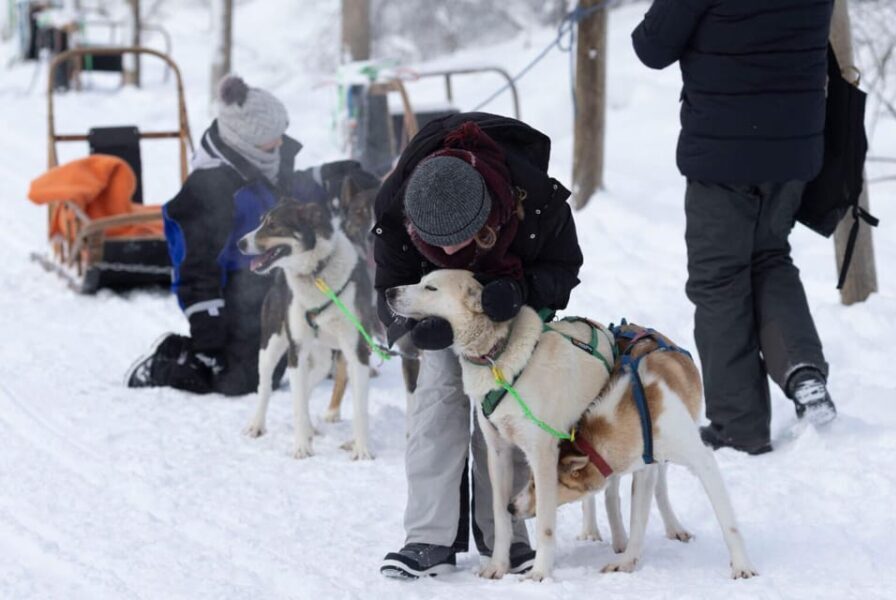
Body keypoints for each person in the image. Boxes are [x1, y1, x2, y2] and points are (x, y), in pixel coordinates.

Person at [373, 113, 583, 579]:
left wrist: (522, 291)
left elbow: (565, 268)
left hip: (516, 310)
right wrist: (410, 329)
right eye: (434, 244)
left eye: (457, 242)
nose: (446, 254)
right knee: (436, 402)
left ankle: (507, 532)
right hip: (442, 308)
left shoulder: (538, 203)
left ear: (487, 218)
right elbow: (388, 286)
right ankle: (429, 538)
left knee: (511, 413)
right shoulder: (395, 209)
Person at [632, 0, 838, 455]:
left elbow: (651, 46)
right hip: (794, 147)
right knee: (769, 255)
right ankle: (802, 369)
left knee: (719, 280)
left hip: (724, 154)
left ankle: (739, 427)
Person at [126, 75, 324, 395]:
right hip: (231, 286)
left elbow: (289, 191)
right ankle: (171, 359)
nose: (279, 142)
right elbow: (195, 266)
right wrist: (209, 330)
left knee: (288, 355)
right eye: (271, 138)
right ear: (246, 140)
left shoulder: (268, 158)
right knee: (241, 381)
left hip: (270, 273)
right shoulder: (211, 187)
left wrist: (325, 178)